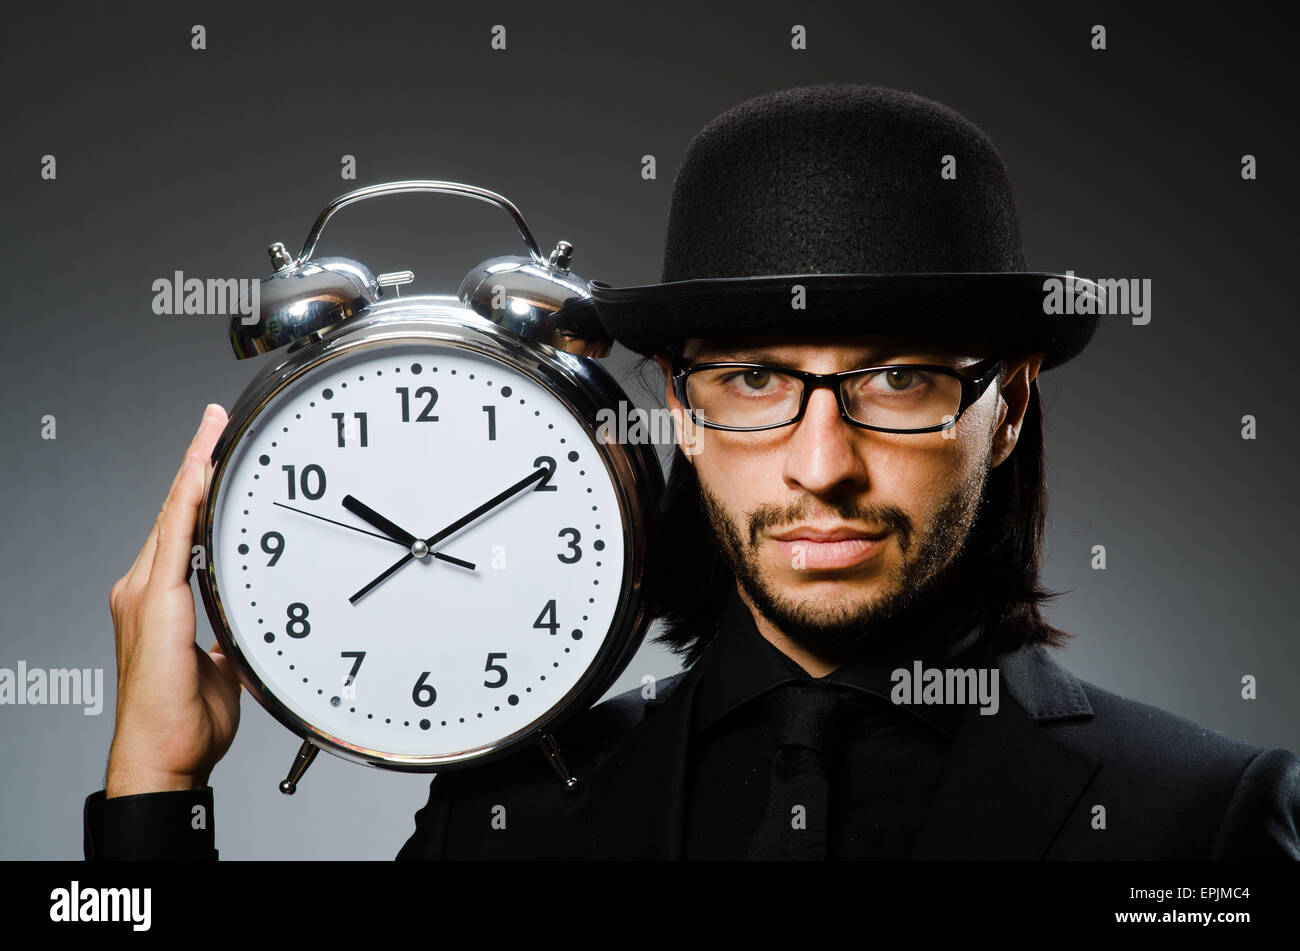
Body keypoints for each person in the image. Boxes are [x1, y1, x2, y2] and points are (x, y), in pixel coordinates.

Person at [84, 84, 1300, 860]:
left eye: (897, 380)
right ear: (680, 403)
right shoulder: (503, 824)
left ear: (1009, 403)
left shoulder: (1200, 821)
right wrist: (152, 783)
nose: (821, 468)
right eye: (755, 379)